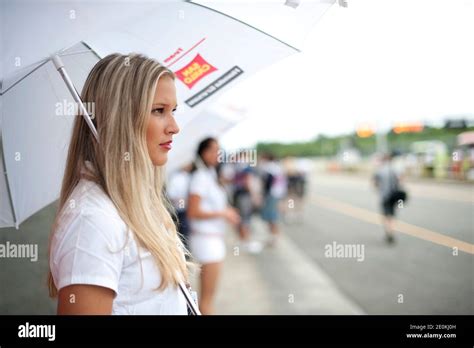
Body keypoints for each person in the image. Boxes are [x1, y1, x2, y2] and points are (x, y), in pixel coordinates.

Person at [48, 53, 192, 315]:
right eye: (159, 110)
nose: (174, 127)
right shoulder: (91, 221)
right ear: (120, 118)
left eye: (173, 111)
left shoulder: (137, 206)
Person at [187, 137, 240, 314]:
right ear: (203, 153)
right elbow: (192, 211)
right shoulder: (201, 176)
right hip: (206, 240)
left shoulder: (210, 174)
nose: (217, 154)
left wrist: (226, 211)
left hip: (213, 238)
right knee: (207, 299)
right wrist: (223, 213)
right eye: (213, 150)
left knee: (209, 297)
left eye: (219, 149)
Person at [373, 153, 404, 244]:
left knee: (386, 215)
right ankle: (392, 231)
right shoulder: (395, 169)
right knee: (393, 214)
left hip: (384, 196)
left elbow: (375, 183)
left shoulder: (380, 170)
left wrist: (380, 188)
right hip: (395, 196)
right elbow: (400, 180)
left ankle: (388, 233)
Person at [167, 163, 193, 248]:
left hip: (186, 210)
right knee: (180, 232)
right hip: (179, 210)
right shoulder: (176, 177)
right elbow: (172, 195)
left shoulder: (189, 177)